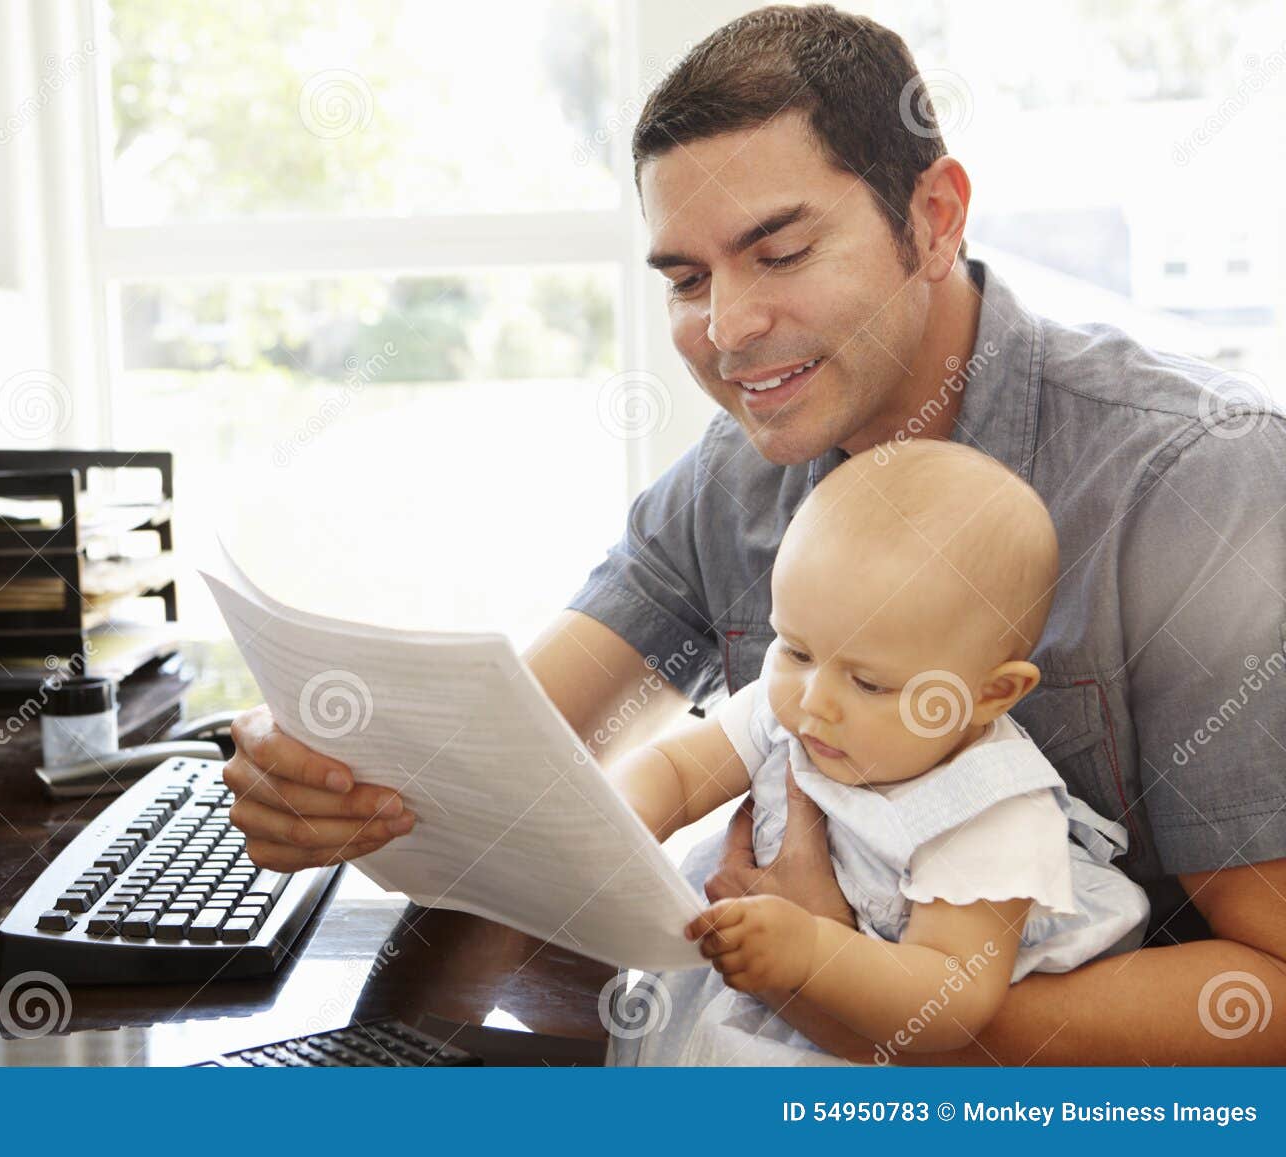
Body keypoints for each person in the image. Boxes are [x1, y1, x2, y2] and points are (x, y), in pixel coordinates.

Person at [223, 5, 1286, 1063]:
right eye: (686, 279)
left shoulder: (1195, 481)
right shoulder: (733, 480)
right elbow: (514, 763)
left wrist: (864, 988)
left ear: (934, 216)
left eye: (777, 252)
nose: (724, 330)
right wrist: (328, 773)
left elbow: (1273, 989)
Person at [608, 438, 1148, 1065]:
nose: (815, 701)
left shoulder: (993, 816)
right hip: (726, 1003)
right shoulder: (794, 703)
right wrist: (614, 825)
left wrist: (812, 950)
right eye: (795, 649)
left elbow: (951, 1001)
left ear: (991, 693)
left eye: (870, 684)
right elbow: (674, 771)